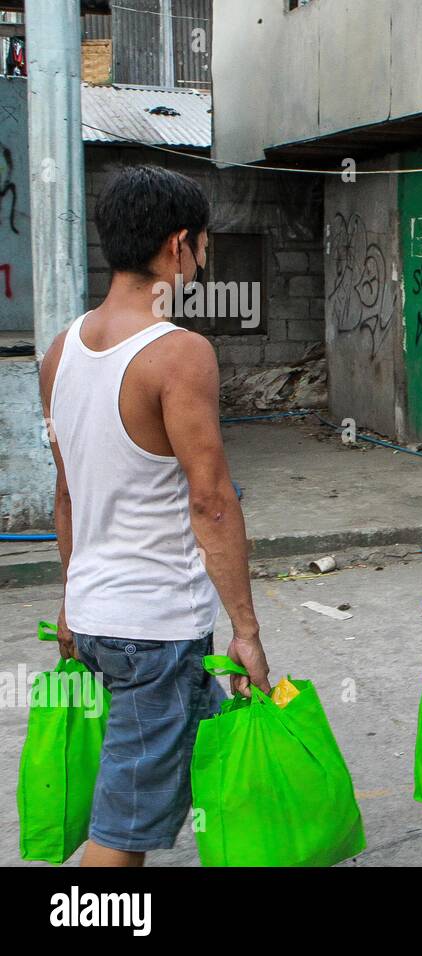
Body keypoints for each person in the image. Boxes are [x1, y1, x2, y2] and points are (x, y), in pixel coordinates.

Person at [39, 165, 270, 866]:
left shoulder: (59, 353)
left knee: (172, 792)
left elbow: (68, 493)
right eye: (202, 248)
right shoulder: (179, 354)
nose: (202, 264)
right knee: (124, 829)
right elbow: (211, 502)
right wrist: (247, 630)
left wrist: (72, 599)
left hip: (100, 618)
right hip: (155, 632)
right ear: (178, 247)